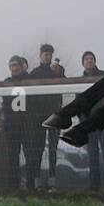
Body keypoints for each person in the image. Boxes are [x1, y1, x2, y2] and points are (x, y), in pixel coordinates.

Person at [27, 44, 65, 191]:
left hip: (54, 115)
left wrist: (60, 72)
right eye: (45, 54)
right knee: (38, 147)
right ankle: (36, 179)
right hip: (38, 117)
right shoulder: (34, 73)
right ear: (40, 55)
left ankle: (52, 179)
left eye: (50, 54)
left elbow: (65, 84)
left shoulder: (57, 71)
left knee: (53, 148)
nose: (48, 57)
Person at [0, 55, 40, 191]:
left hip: (27, 125)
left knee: (30, 155)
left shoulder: (30, 80)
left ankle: (30, 185)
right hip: (11, 126)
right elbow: (4, 103)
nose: (14, 68)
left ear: (21, 66)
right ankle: (13, 186)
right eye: (11, 66)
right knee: (12, 156)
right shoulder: (7, 82)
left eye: (16, 65)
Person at [80, 51, 104, 192]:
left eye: (91, 59)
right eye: (86, 59)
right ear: (83, 63)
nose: (89, 61)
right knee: (92, 155)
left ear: (95, 61)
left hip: (103, 122)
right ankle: (94, 185)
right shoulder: (79, 81)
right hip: (89, 124)